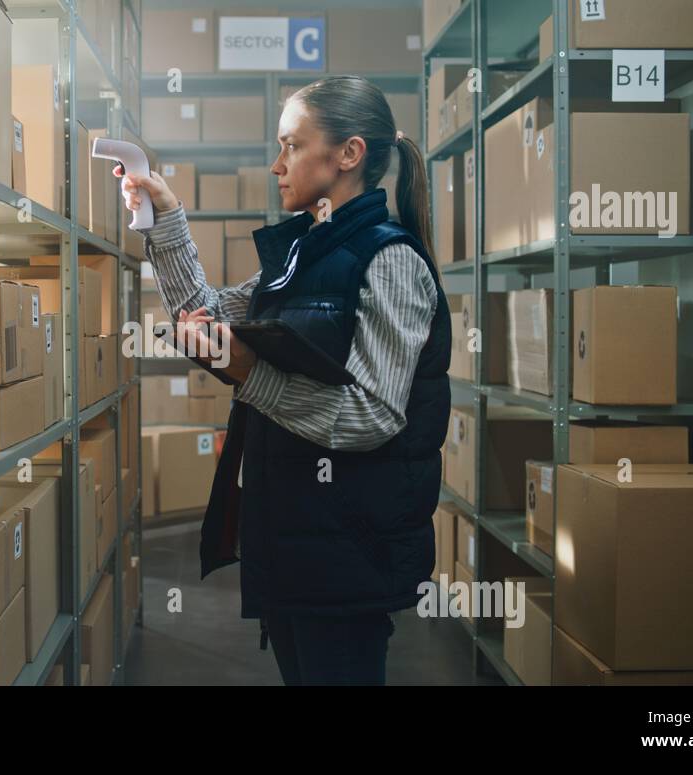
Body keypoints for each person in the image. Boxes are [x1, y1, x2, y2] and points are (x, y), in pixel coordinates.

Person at [117, 75, 450, 686]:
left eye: (292, 146)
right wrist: (165, 219)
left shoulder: (390, 261)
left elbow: (373, 415)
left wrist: (249, 373)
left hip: (350, 552)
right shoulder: (304, 255)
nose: (276, 164)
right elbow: (208, 309)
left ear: (348, 154)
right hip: (296, 542)